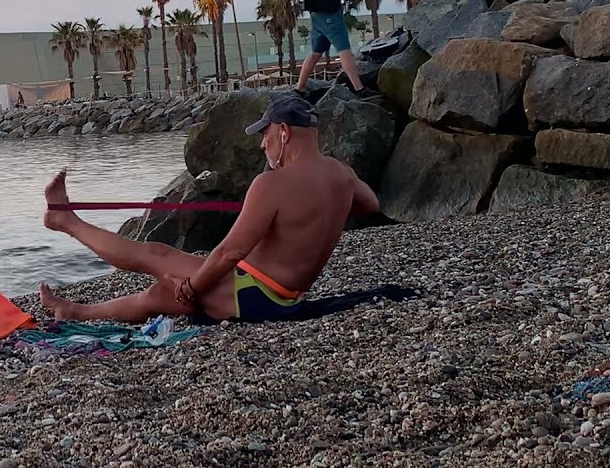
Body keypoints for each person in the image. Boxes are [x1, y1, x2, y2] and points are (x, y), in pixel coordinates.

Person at [39, 94, 379, 322]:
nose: (263, 144)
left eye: (266, 134)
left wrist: (193, 287)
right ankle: (76, 312)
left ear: (285, 132)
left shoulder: (272, 184)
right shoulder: (343, 176)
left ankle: (65, 220)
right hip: (285, 297)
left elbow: (229, 253)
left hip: (256, 296)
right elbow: (371, 206)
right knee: (159, 296)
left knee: (154, 254)